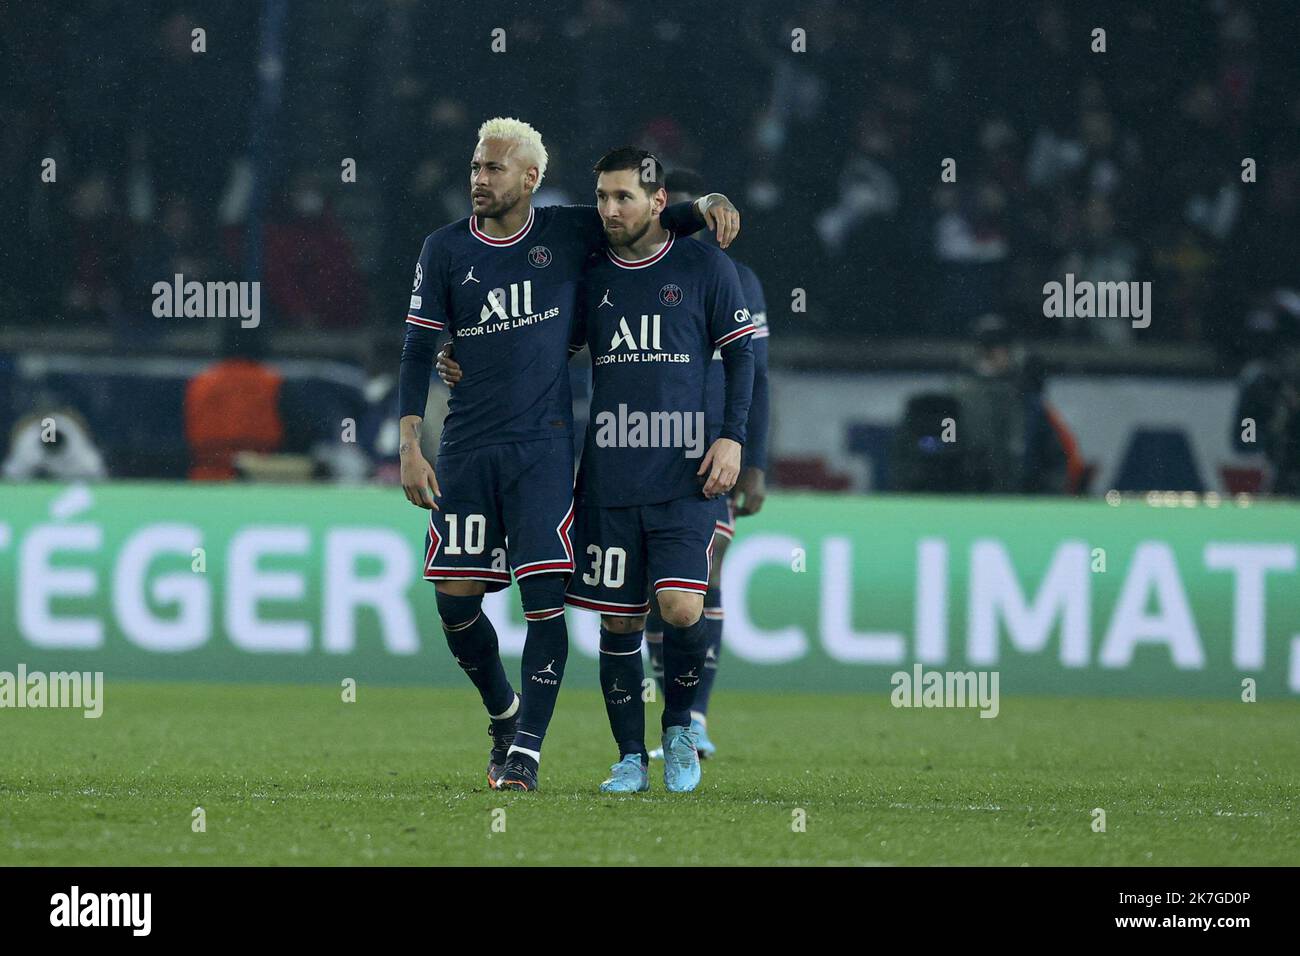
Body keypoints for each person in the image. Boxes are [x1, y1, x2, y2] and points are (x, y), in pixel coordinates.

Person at [398, 118, 739, 792]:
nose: (478, 178)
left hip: (544, 452)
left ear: (529, 178)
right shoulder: (442, 250)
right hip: (466, 446)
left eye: (494, 168)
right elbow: (416, 348)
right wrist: (409, 443)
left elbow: (646, 219)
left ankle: (527, 752)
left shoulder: (566, 230)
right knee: (454, 601)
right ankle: (504, 712)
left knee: (545, 602)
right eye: (475, 166)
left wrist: (704, 207)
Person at [562, 147, 755, 793]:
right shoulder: (588, 274)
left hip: (685, 474)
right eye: (603, 198)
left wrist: (733, 441)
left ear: (657, 202)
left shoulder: (705, 265)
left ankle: (678, 727)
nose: (611, 210)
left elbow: (743, 361)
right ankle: (628, 757)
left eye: (624, 197)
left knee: (677, 606)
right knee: (617, 622)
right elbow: (545, 348)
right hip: (611, 473)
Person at [642, 168, 771, 761]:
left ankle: (693, 713)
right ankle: (668, 705)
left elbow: (757, 374)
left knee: (703, 575)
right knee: (648, 588)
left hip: (709, 452)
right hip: (640, 445)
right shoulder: (635, 272)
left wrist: (752, 457)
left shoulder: (737, 279)